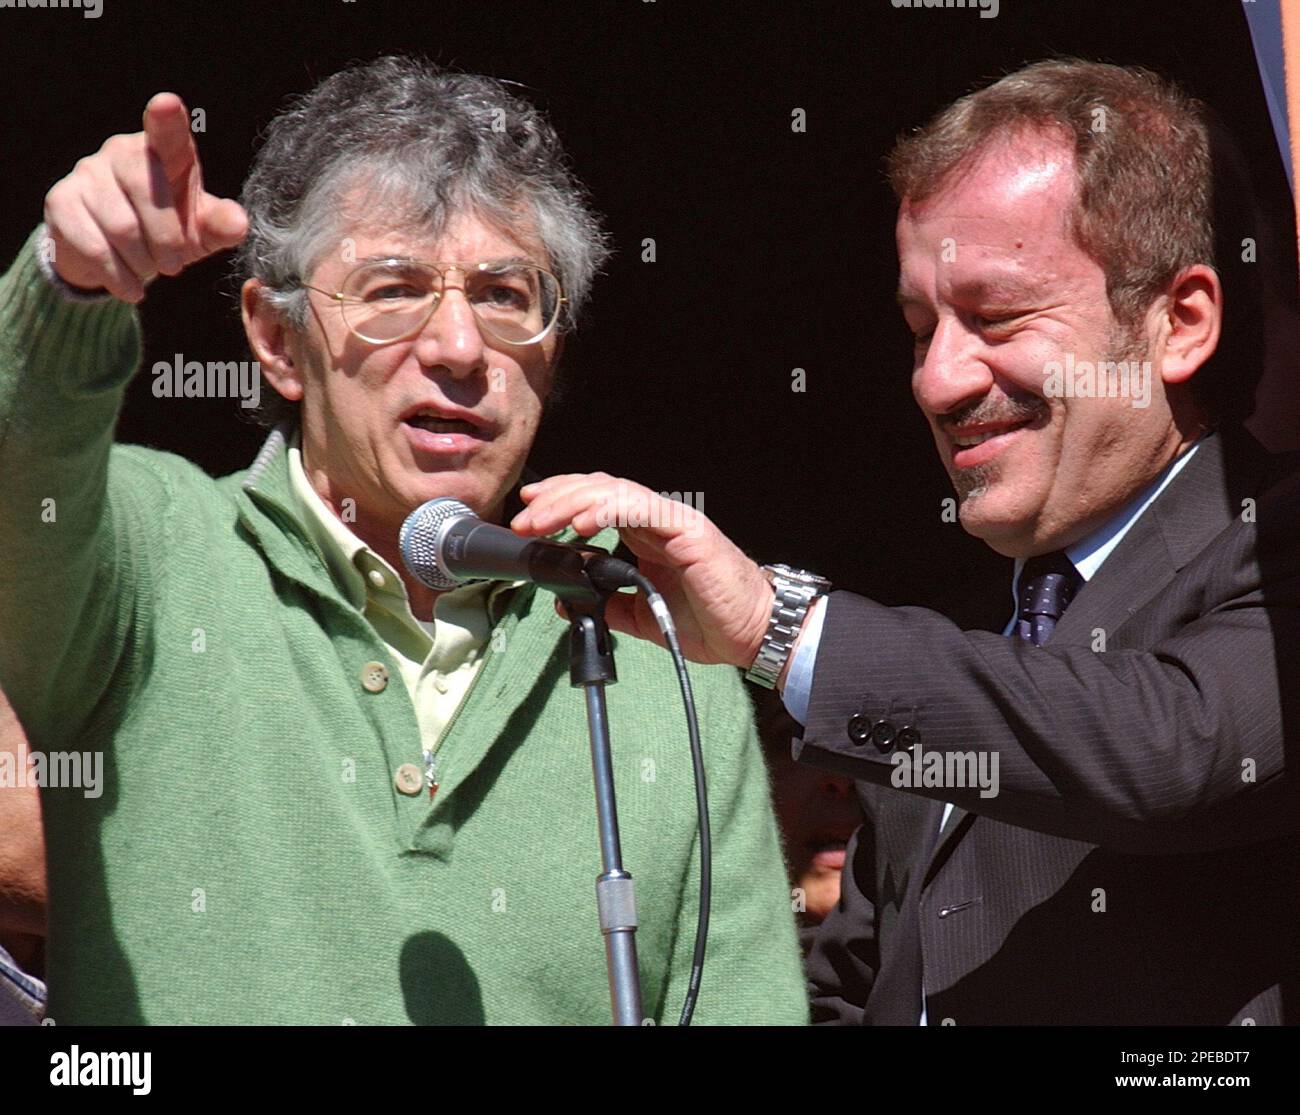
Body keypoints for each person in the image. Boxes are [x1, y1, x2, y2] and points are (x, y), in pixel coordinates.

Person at [0, 55, 807, 1025]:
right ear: (274, 337)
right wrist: (70, 287)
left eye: (508, 295)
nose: (460, 348)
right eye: (393, 287)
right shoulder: (146, 555)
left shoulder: (651, 634)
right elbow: (25, 463)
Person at [513, 59, 1300, 1025]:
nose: (938, 382)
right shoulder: (970, 631)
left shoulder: (1268, 548)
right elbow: (852, 990)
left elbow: (1172, 745)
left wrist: (779, 623)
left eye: (997, 317)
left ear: (1179, 324)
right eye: (922, 327)